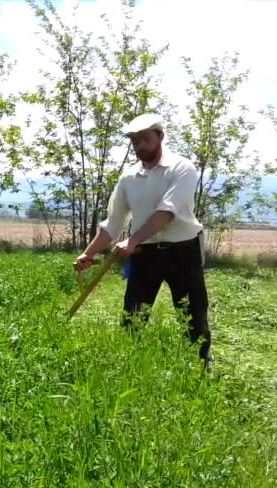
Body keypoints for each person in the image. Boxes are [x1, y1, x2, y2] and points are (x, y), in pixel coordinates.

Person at [74, 112, 212, 366]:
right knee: (133, 315)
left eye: (145, 139)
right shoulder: (129, 178)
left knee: (193, 315)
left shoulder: (182, 168)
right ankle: (128, 367)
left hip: (183, 252)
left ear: (160, 137)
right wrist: (88, 253)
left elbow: (167, 212)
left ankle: (200, 369)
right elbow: (113, 222)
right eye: (135, 141)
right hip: (145, 255)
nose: (140, 146)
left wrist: (132, 240)